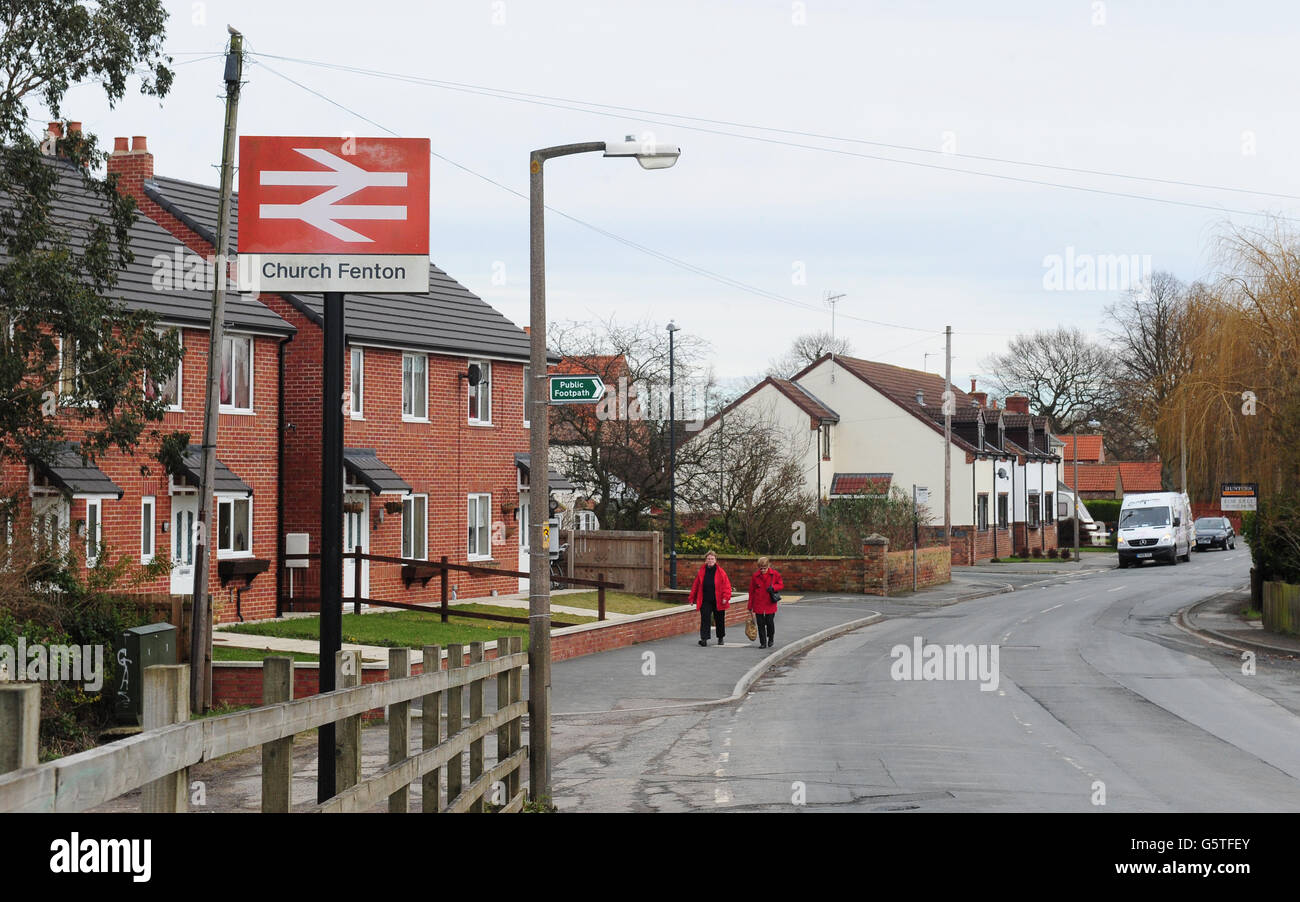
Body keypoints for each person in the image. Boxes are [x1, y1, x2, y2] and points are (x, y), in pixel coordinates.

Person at [689, 550, 732, 646]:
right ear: (705, 560)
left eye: (712, 558)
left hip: (719, 600)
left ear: (715, 560)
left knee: (719, 619)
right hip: (705, 600)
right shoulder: (701, 571)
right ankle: (704, 639)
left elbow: (727, 586)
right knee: (705, 619)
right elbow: (696, 585)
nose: (710, 560)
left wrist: (726, 597)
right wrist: (692, 598)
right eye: (708, 558)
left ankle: (720, 638)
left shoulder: (721, 572)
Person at [748, 557, 784, 648]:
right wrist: (750, 605)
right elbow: (751, 591)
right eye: (761, 568)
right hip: (758, 602)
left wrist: (773, 588)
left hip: (770, 603)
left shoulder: (774, 574)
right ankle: (763, 643)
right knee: (760, 624)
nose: (763, 570)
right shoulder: (755, 576)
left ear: (768, 566)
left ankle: (771, 637)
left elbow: (781, 584)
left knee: (769, 622)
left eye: (764, 568)